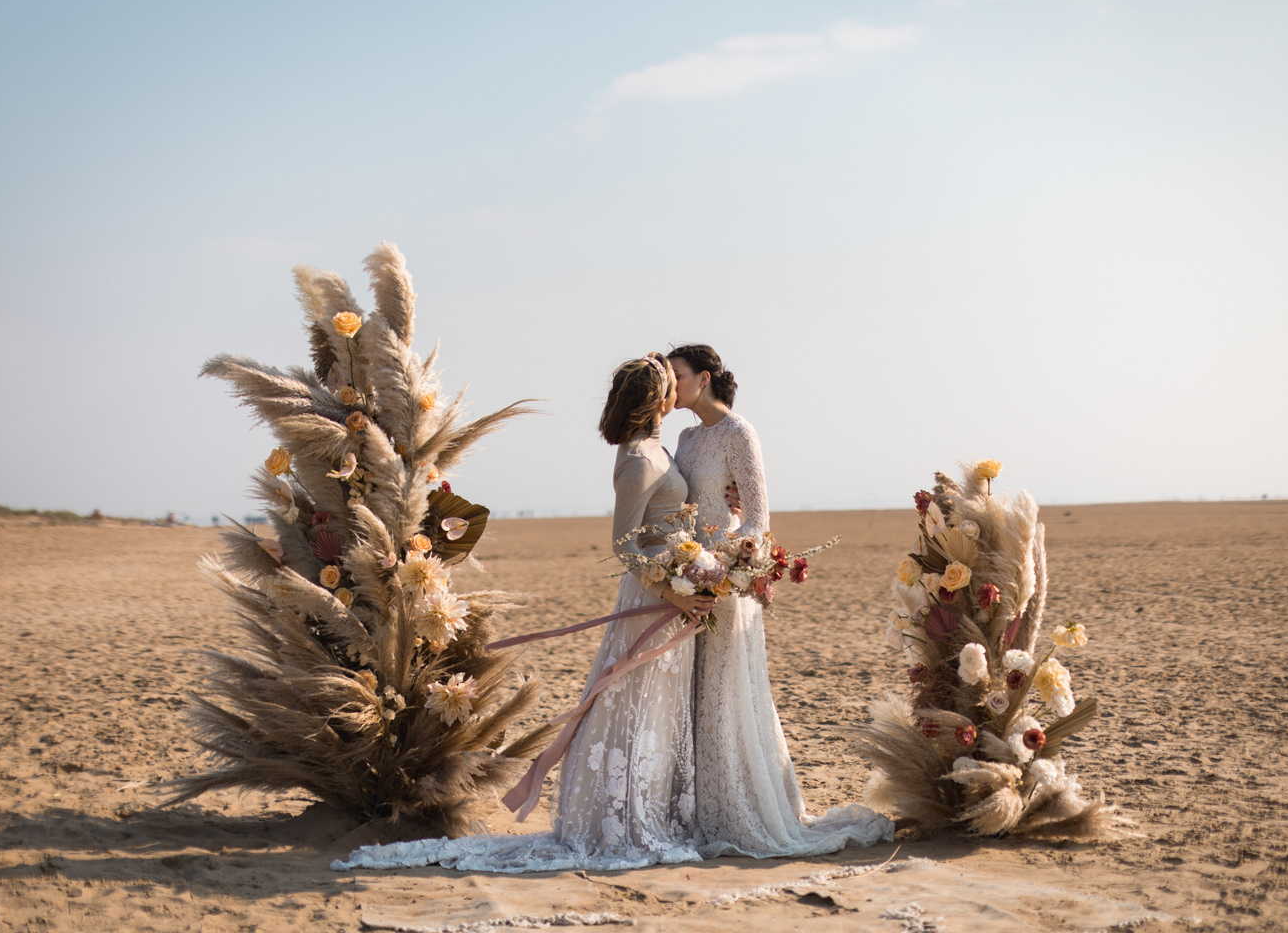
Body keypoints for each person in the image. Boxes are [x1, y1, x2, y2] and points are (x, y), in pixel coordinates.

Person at [334, 353, 715, 873]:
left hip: (671, 592)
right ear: (656, 398)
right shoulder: (637, 458)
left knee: (658, 706)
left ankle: (657, 810)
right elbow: (625, 546)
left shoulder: (656, 449)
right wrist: (674, 594)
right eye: (671, 385)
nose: (677, 392)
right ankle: (624, 819)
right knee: (635, 701)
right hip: (654, 597)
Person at [668, 343, 893, 858]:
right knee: (691, 695)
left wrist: (718, 567)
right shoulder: (683, 436)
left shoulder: (739, 432)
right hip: (685, 580)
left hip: (721, 584)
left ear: (702, 379)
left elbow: (757, 521)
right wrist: (682, 564)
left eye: (676, 375)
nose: (669, 385)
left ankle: (737, 810)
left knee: (724, 696)